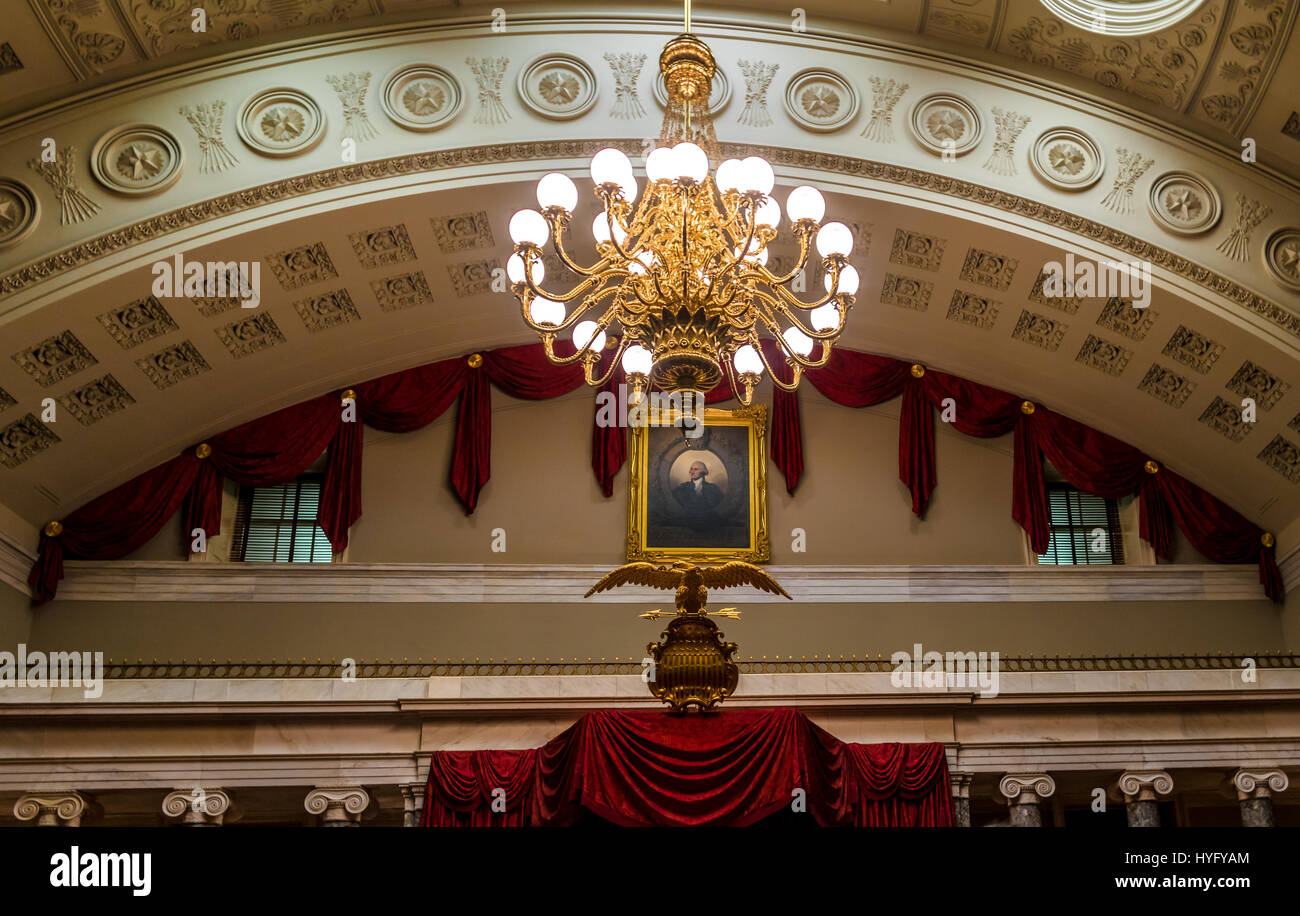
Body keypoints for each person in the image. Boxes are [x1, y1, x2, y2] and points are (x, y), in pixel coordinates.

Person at [672, 460, 723, 530]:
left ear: (703, 472)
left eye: (696, 469)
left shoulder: (713, 488)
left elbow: (719, 504)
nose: (692, 472)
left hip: (709, 523)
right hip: (686, 522)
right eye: (691, 469)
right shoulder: (682, 488)